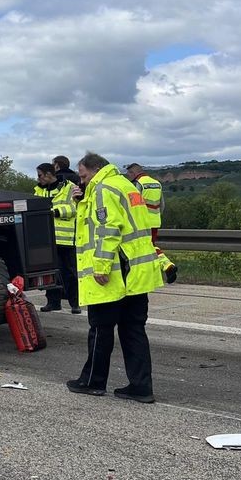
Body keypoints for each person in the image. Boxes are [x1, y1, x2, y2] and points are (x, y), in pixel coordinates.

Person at [65, 153, 163, 403]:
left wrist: (101, 266)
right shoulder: (126, 185)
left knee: (101, 328)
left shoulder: (102, 189)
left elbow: (107, 229)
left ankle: (93, 381)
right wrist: (80, 201)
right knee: (133, 330)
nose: (81, 181)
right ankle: (141, 387)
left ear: (96, 170)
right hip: (135, 272)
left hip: (114, 272)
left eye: (84, 176)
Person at [33, 163, 79, 313]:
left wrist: (54, 212)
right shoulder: (38, 190)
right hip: (48, 238)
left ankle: (75, 303)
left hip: (66, 239)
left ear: (48, 174)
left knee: (70, 273)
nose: (38, 178)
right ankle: (53, 302)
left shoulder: (69, 187)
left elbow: (75, 207)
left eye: (40, 175)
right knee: (51, 273)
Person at [125, 163, 177, 283]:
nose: (128, 177)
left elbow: (134, 205)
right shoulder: (156, 183)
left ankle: (167, 266)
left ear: (134, 173)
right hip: (155, 221)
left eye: (128, 174)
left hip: (142, 222)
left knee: (146, 247)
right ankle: (164, 268)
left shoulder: (138, 184)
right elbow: (162, 205)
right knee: (150, 246)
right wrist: (156, 216)